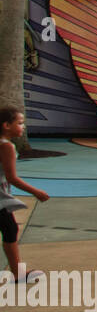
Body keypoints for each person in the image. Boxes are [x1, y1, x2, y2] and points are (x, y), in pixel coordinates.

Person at [0, 106, 50, 282]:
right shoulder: (6, 147)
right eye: (20, 123)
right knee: (9, 229)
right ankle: (17, 273)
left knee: (9, 229)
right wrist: (36, 192)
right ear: (6, 125)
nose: (23, 127)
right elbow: (11, 177)